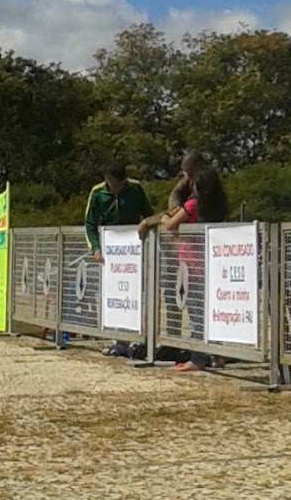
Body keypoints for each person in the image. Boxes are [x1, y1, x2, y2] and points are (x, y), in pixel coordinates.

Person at [140, 153, 229, 373]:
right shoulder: (217, 206)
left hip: (192, 265)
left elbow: (170, 223)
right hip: (209, 263)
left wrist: (161, 219)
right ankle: (217, 357)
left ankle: (197, 359)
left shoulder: (192, 205)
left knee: (196, 313)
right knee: (209, 312)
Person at [84, 161, 153, 356]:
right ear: (107, 179)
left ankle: (141, 340)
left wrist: (146, 228)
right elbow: (89, 223)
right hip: (110, 254)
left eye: (121, 183)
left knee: (135, 294)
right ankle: (119, 341)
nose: (118, 187)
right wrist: (95, 248)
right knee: (113, 295)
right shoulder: (97, 193)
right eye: (115, 184)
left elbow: (148, 214)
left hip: (134, 250)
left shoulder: (136, 188)